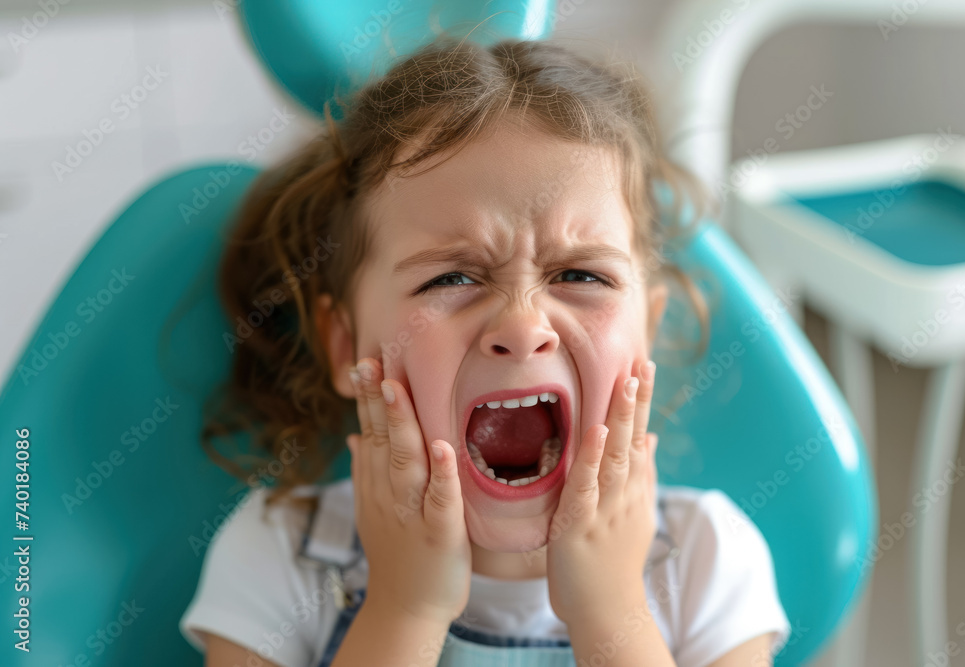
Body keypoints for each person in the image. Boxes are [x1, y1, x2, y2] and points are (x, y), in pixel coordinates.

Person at [180, 36, 791, 667]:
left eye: (581, 275)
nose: (523, 326)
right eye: (451, 278)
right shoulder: (281, 556)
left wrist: (610, 612)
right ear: (346, 347)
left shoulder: (705, 561)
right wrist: (403, 609)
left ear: (647, 335)